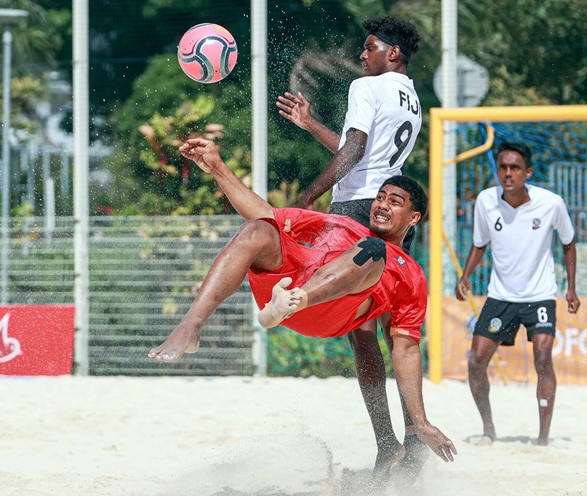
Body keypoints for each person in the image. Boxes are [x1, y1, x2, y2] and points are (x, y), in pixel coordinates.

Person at [149, 137, 457, 468]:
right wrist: (217, 167)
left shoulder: (410, 274)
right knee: (257, 228)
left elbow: (406, 350)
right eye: (379, 197)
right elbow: (265, 212)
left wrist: (420, 422)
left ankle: (294, 301)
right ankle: (191, 324)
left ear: (413, 219)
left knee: (373, 250)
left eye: (394, 202)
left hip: (323, 309)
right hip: (284, 285)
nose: (381, 204)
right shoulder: (340, 223)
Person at [276, 16, 427, 477]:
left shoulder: (367, 87)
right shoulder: (412, 96)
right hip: (393, 209)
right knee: (397, 334)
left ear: (392, 53)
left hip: (360, 210)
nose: (363, 55)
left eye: (370, 47)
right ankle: (414, 439)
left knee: (362, 333)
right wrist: (310, 124)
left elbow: (355, 150)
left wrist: (306, 199)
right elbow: (363, 149)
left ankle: (387, 445)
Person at [455, 142, 581, 446]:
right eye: (502, 167)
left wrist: (571, 287)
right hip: (501, 297)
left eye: (514, 168)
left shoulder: (551, 203)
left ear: (528, 172)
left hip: (540, 295)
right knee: (476, 362)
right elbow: (480, 243)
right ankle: (489, 429)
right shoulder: (485, 201)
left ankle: (542, 438)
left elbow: (568, 242)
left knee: (542, 358)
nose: (507, 173)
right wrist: (466, 275)